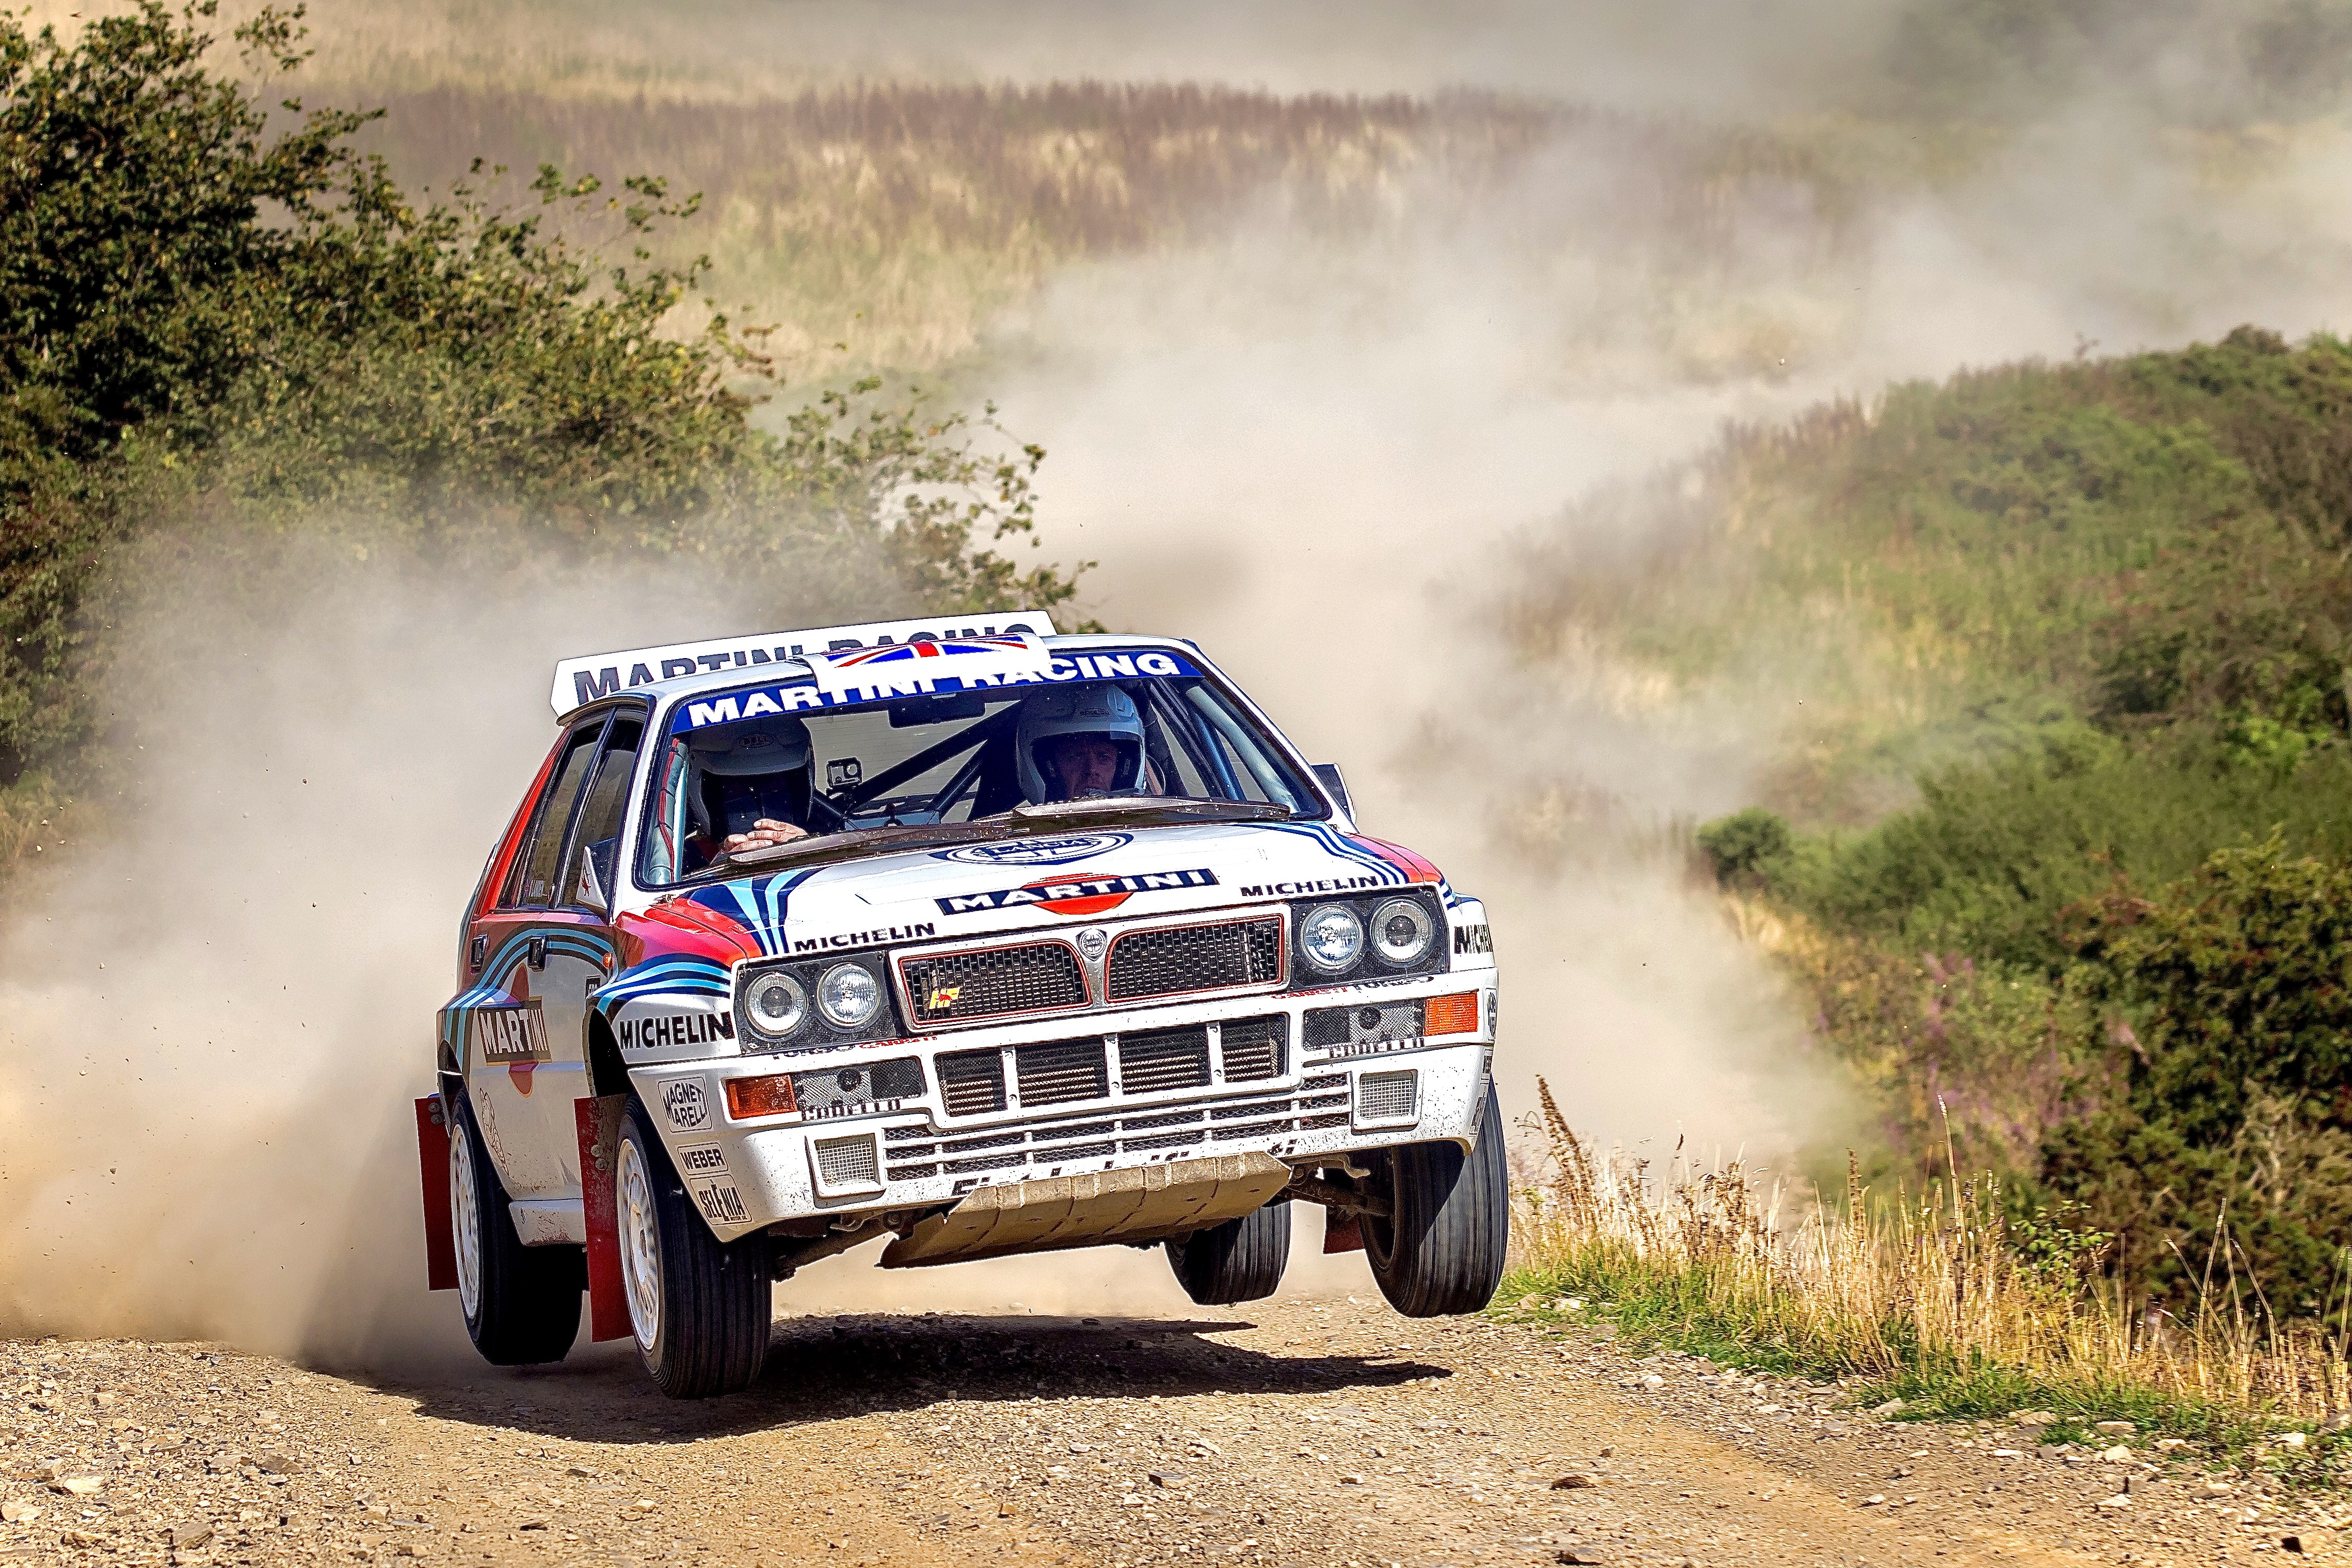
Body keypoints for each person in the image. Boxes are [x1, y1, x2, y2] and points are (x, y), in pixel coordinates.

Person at [685, 719, 817, 858]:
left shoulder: (828, 830)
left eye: (770, 780)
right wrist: (720, 864)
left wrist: (813, 850)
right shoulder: (685, 857)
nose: (758, 796)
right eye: (740, 782)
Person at [1015, 685, 1148, 804]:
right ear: (1048, 769)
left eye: (1104, 758)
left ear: (1123, 768)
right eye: (1075, 757)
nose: (1091, 770)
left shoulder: (1153, 822)